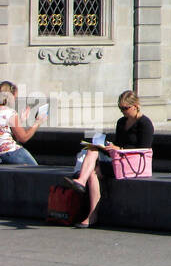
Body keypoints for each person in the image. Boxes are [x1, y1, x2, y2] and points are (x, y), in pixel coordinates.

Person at [59, 90, 154, 227]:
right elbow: (119, 143)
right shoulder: (121, 122)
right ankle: (84, 192)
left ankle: (91, 211)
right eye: (120, 108)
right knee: (92, 152)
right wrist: (110, 147)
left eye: (125, 108)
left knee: (95, 171)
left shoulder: (145, 124)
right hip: (119, 161)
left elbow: (144, 150)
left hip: (134, 165)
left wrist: (120, 150)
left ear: (136, 105)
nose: (123, 111)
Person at [0, 80, 42, 165]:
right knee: (36, 173)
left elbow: (3, 131)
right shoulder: (10, 113)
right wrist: (37, 122)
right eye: (15, 97)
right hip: (12, 153)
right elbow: (23, 138)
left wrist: (21, 120)